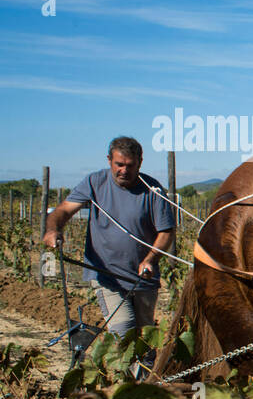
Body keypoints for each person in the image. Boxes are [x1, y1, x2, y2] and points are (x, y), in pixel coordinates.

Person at [43, 136, 176, 339]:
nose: (124, 170)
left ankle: (146, 371)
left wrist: (150, 259)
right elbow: (63, 211)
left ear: (140, 162)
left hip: (144, 279)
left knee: (146, 337)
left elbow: (166, 232)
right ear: (109, 160)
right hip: (107, 276)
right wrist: (53, 229)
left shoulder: (153, 190)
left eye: (130, 165)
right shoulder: (94, 183)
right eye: (119, 164)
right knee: (124, 330)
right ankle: (125, 371)